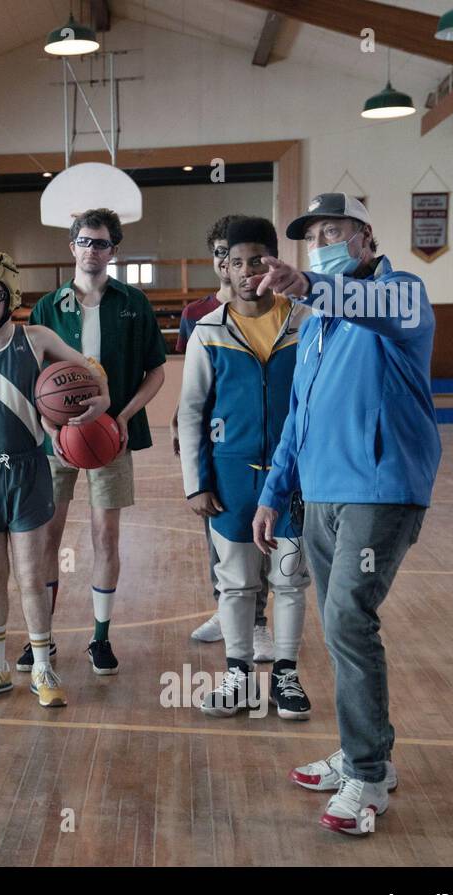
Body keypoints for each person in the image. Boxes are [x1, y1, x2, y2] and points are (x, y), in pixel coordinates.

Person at [251, 193, 441, 835]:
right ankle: (366, 756)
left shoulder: (401, 295)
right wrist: (275, 491)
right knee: (339, 632)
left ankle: (366, 772)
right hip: (321, 495)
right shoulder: (312, 327)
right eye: (313, 236)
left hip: (381, 489)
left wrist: (309, 284)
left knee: (347, 619)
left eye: (335, 231)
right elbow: (297, 421)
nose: (323, 241)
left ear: (365, 237)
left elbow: (373, 307)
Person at [0, 253, 108, 708]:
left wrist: (103, 398)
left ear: (9, 297)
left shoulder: (36, 338)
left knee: (32, 577)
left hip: (29, 470)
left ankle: (42, 666)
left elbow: (90, 371)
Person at [177, 217, 313, 720]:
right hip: (231, 474)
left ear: (274, 262)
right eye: (236, 261)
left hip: (294, 474)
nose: (247, 270)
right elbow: (191, 412)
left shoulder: (306, 321)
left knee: (290, 580)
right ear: (225, 270)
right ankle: (238, 675)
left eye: (257, 259)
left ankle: (286, 675)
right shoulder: (207, 332)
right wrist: (196, 483)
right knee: (235, 581)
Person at [30, 208, 166, 676]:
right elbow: (34, 379)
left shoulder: (133, 303)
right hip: (57, 440)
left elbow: (157, 371)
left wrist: (124, 416)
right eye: (85, 241)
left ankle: (100, 637)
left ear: (114, 250)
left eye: (102, 243)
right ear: (72, 247)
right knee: (47, 535)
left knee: (105, 536)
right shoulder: (48, 307)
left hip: (110, 437)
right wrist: (48, 426)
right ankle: (40, 638)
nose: (93, 250)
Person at [172, 214, 273, 655]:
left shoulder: (282, 312)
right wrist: (185, 436)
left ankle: (258, 618)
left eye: (229, 254)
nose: (226, 263)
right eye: (220, 255)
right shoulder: (197, 315)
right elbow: (192, 389)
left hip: (258, 443)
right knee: (221, 538)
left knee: (266, 539)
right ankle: (226, 606)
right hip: (217, 448)